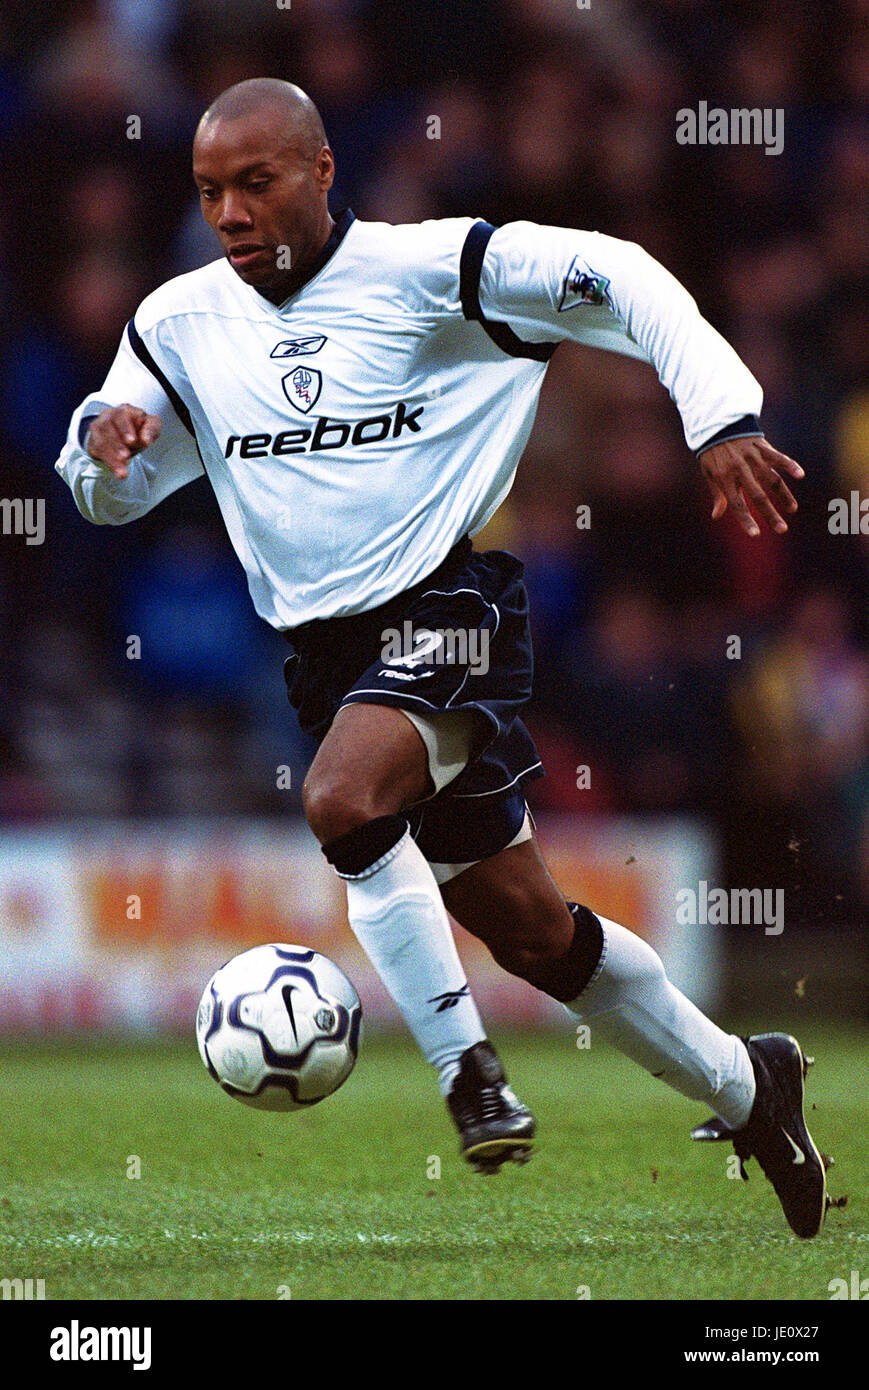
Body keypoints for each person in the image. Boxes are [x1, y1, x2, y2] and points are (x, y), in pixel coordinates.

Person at [56, 79, 829, 1237]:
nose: (229, 213)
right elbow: (111, 488)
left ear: (322, 171)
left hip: (453, 605)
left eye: (255, 183)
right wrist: (98, 449)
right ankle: (747, 1083)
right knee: (528, 927)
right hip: (327, 656)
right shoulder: (176, 322)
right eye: (210, 190)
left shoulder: (436, 270)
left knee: (337, 798)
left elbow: (617, 272)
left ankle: (468, 1074)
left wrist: (717, 411)